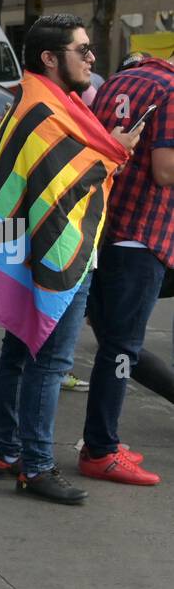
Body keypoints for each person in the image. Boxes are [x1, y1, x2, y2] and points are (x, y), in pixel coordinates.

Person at [0, 14, 140, 504]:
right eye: (81, 50)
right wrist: (116, 152)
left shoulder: (41, 100)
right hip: (56, 251)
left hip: (29, 243)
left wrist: (107, 151)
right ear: (49, 57)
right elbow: (68, 173)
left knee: (20, 351)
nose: (91, 58)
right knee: (49, 361)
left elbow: (63, 163)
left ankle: (8, 453)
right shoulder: (45, 107)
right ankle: (36, 466)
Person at [75, 55, 174, 485]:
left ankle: (102, 441)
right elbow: (165, 169)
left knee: (114, 343)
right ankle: (101, 448)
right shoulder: (171, 92)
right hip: (143, 234)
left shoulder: (120, 81)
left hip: (104, 226)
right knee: (121, 348)